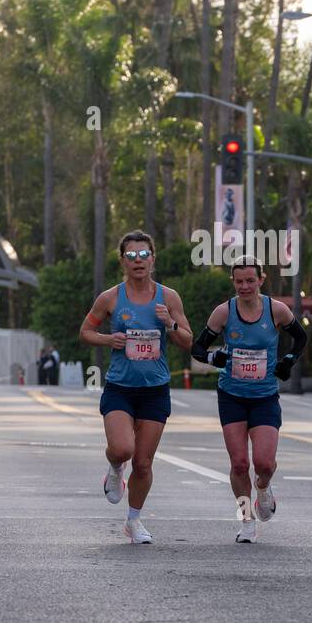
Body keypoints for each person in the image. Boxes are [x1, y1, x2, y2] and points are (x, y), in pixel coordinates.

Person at [79, 230, 193, 544]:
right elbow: (85, 331)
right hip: (120, 387)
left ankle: (133, 521)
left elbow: (187, 340)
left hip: (155, 390)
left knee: (143, 463)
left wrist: (169, 323)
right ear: (123, 261)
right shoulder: (111, 297)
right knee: (123, 450)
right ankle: (115, 469)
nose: (138, 261)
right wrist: (107, 339)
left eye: (143, 255)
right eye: (131, 256)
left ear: (153, 259)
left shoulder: (168, 297)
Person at [192, 255, 307, 544]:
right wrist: (213, 357)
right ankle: (246, 519)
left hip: (264, 397)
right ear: (233, 281)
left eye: (250, 281)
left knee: (264, 463)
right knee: (240, 463)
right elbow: (197, 349)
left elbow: (302, 338)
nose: (244, 287)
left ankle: (264, 489)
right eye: (239, 281)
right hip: (231, 396)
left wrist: (288, 360)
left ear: (261, 280)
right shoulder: (223, 312)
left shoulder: (276, 310)